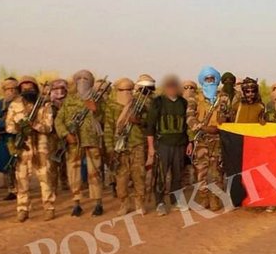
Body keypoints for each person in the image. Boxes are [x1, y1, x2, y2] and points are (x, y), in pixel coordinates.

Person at [54, 70, 106, 217]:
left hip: (92, 140)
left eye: (86, 79)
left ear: (91, 82)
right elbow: (58, 121)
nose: (82, 81)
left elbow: (105, 119)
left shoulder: (98, 99)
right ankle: (76, 203)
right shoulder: (69, 100)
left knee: (94, 172)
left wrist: (96, 110)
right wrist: (66, 134)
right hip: (74, 142)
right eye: (80, 79)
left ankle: (98, 203)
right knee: (74, 173)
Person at [6, 77, 55, 222]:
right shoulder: (14, 105)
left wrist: (34, 125)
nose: (28, 90)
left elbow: (48, 127)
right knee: (21, 179)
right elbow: (9, 127)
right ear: (20, 89)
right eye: (24, 88)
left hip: (41, 146)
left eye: (31, 88)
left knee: (45, 177)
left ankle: (49, 207)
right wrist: (20, 127)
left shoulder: (44, 104)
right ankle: (22, 209)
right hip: (23, 147)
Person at [103, 78, 149, 216]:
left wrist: (138, 120)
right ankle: (124, 203)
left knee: (139, 176)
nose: (126, 93)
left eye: (129, 90)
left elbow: (148, 123)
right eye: (123, 90)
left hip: (137, 145)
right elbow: (108, 129)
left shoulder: (139, 104)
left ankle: (139, 203)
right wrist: (110, 149)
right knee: (121, 179)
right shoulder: (111, 106)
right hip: (119, 147)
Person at [146, 75, 190, 215]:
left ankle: (176, 200)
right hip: (163, 145)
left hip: (180, 145)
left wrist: (189, 143)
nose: (171, 89)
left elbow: (187, 126)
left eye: (174, 86)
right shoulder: (158, 102)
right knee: (160, 175)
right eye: (169, 86)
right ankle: (159, 203)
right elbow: (150, 127)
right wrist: (151, 148)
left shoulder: (183, 103)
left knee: (178, 175)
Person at [187, 66, 229, 211]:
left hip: (218, 140)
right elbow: (190, 118)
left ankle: (215, 199)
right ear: (202, 81)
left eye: (212, 79)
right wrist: (202, 128)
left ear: (216, 81)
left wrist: (220, 125)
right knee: (201, 172)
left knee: (216, 172)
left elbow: (226, 117)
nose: (210, 81)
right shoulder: (194, 98)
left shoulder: (223, 98)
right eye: (207, 79)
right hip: (202, 140)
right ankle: (204, 199)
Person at [0, 77, 19, 201]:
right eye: (8, 89)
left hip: (19, 137)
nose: (11, 91)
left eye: (14, 88)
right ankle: (12, 189)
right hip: (5, 138)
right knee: (7, 165)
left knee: (20, 164)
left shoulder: (22, 102)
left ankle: (20, 188)